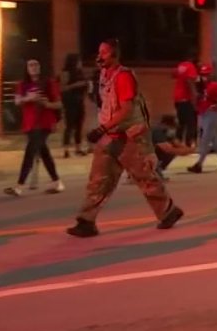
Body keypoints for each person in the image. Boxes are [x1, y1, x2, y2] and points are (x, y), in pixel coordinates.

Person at [67, 39, 183, 237]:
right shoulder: (104, 76)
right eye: (99, 52)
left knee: (144, 177)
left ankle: (168, 211)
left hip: (128, 136)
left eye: (104, 53)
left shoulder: (123, 77)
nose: (99, 56)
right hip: (110, 136)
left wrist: (101, 129)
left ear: (114, 55)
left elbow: (126, 109)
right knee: (98, 180)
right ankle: (86, 220)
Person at [5, 59, 64, 197]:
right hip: (30, 124)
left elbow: (59, 104)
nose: (33, 67)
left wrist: (47, 104)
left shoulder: (48, 83)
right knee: (43, 152)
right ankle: (57, 182)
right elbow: (17, 101)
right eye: (30, 65)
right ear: (26, 68)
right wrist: (29, 98)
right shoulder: (22, 84)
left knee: (30, 151)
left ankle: (19, 186)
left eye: (36, 65)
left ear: (41, 67)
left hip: (45, 123)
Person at [187, 64, 217, 173]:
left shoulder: (214, 85)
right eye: (203, 75)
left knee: (205, 139)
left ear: (211, 75)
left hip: (211, 114)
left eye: (207, 74)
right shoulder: (202, 86)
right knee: (213, 139)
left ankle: (199, 164)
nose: (205, 77)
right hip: (203, 113)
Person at [59, 54, 89, 158]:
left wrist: (85, 85)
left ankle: (78, 148)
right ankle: (66, 150)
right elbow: (62, 88)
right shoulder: (66, 72)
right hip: (70, 101)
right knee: (69, 126)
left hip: (79, 100)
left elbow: (84, 83)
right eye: (78, 61)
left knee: (79, 125)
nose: (80, 63)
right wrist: (76, 85)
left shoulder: (80, 72)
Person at [151, 114, 195, 179]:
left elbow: (177, 144)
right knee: (168, 152)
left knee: (171, 152)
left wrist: (189, 149)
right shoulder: (158, 131)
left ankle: (156, 170)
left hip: (154, 152)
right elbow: (168, 149)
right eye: (173, 127)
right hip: (144, 154)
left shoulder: (167, 132)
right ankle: (150, 172)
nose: (174, 129)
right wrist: (188, 151)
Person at [172, 55, 199, 147]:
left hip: (177, 98)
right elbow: (190, 82)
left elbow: (173, 74)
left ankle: (177, 142)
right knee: (191, 122)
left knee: (181, 122)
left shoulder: (181, 66)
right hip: (186, 98)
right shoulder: (191, 67)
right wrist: (194, 97)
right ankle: (189, 144)